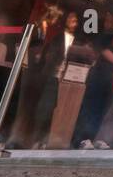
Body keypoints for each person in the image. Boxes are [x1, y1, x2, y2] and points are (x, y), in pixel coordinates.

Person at [72, 18, 113, 151]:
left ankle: (97, 138)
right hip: (100, 73)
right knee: (92, 106)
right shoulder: (105, 34)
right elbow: (103, 50)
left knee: (106, 107)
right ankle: (83, 138)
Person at [30, 10, 79, 148]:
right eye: (70, 17)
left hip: (69, 80)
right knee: (46, 108)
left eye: (75, 18)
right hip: (52, 76)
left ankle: (48, 140)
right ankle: (38, 139)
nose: (73, 20)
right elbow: (49, 55)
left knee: (60, 109)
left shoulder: (78, 40)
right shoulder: (57, 37)